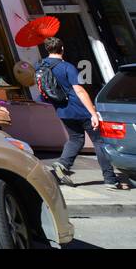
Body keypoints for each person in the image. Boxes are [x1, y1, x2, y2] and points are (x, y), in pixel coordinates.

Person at [40, 37, 129, 191]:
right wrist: (93, 113)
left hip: (62, 110)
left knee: (75, 138)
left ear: (47, 49)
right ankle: (110, 179)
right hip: (79, 109)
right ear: (62, 49)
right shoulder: (66, 66)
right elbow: (79, 91)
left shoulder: (40, 66)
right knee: (99, 142)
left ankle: (63, 164)